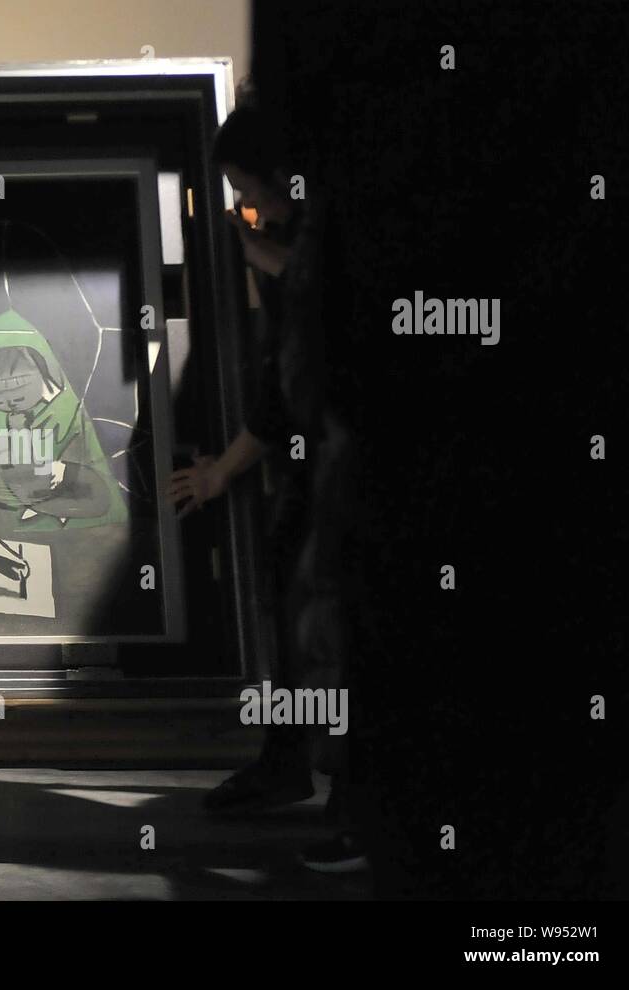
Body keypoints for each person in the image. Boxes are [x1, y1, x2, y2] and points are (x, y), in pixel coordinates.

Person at [168, 101, 366, 871]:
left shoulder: (336, 236)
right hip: (309, 466)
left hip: (338, 464)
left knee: (334, 634)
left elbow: (296, 382)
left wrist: (221, 471)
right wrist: (259, 249)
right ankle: (286, 764)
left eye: (249, 187)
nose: (246, 203)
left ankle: (357, 805)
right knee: (290, 615)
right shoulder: (304, 233)